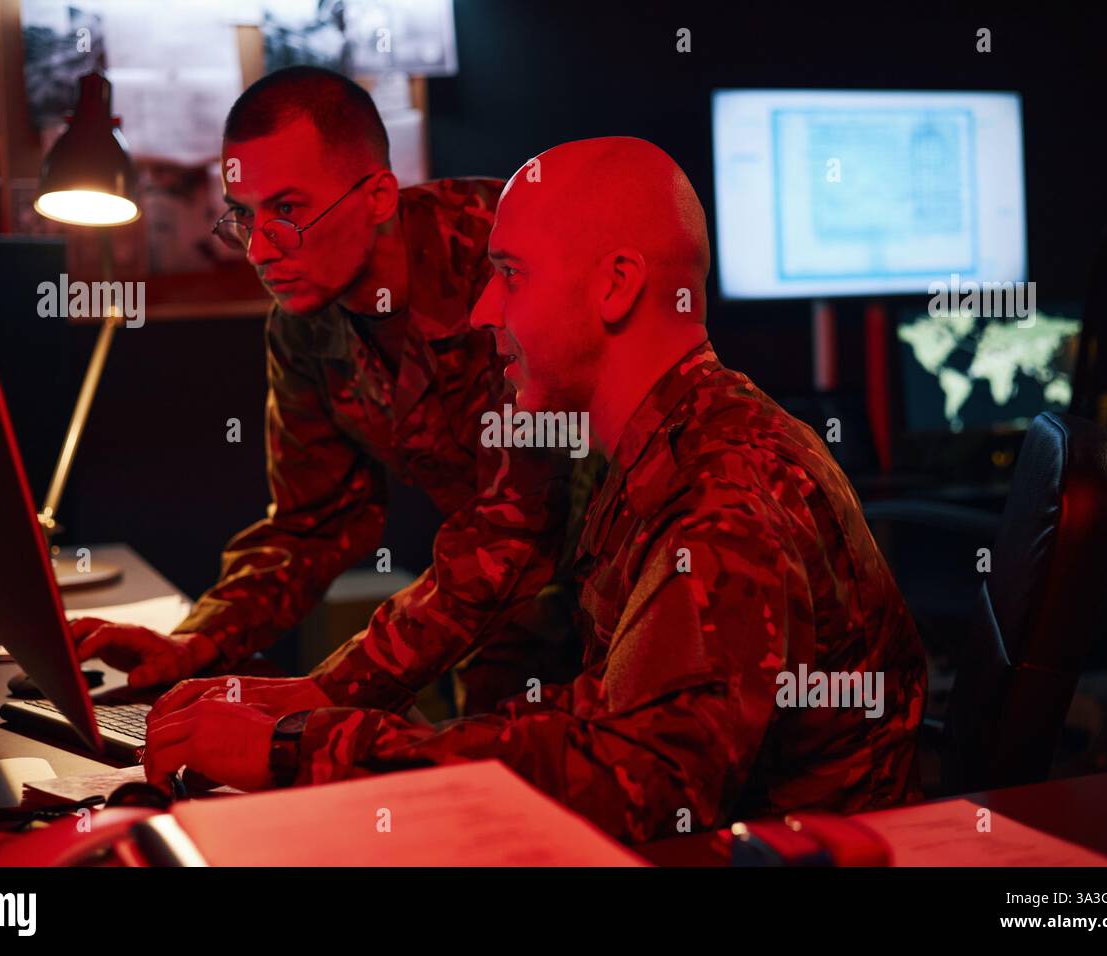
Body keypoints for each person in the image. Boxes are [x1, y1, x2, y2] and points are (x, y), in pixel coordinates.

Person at [143, 137, 928, 844]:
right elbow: (594, 716)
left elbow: (636, 784)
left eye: (510, 276)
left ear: (615, 287)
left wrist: (298, 751)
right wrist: (319, 729)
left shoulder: (722, 497)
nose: (484, 312)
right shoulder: (666, 450)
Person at [69, 66, 581, 717]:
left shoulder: (502, 255)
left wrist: (322, 694)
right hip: (504, 613)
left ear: (377, 197)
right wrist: (196, 643)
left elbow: (520, 526)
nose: (258, 251)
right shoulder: (302, 327)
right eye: (243, 218)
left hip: (634, 594)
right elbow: (317, 524)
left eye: (287, 211)